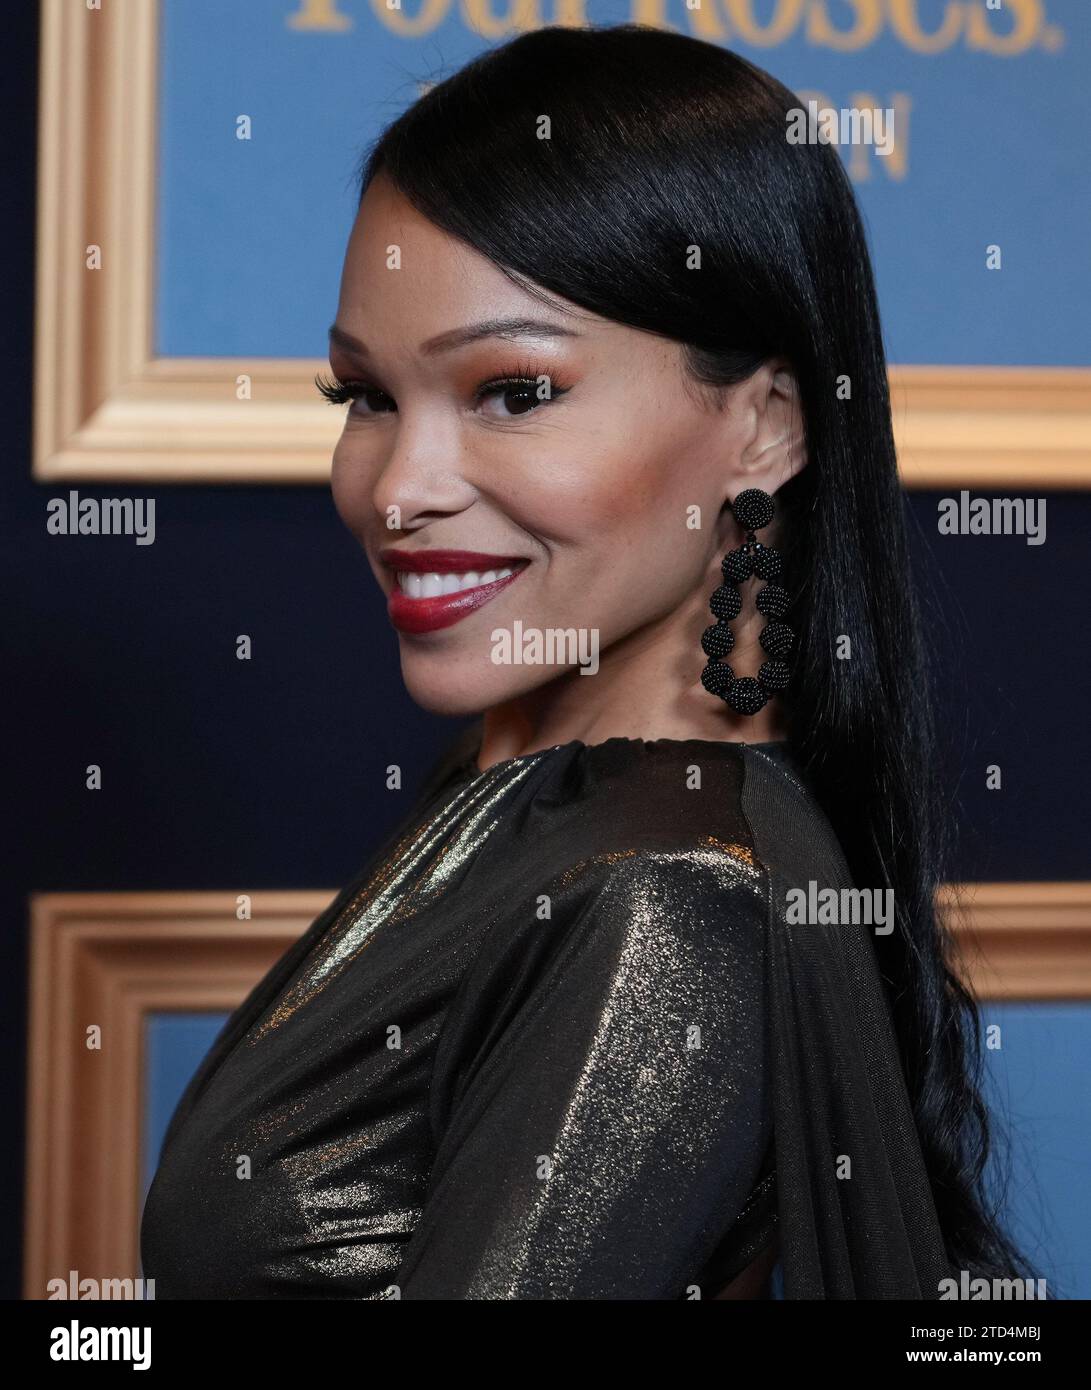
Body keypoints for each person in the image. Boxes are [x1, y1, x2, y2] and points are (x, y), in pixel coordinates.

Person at [141, 23, 1036, 1299]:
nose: (398, 490)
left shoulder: (662, 892)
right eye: (366, 398)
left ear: (765, 425)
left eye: (513, 392)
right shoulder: (539, 786)